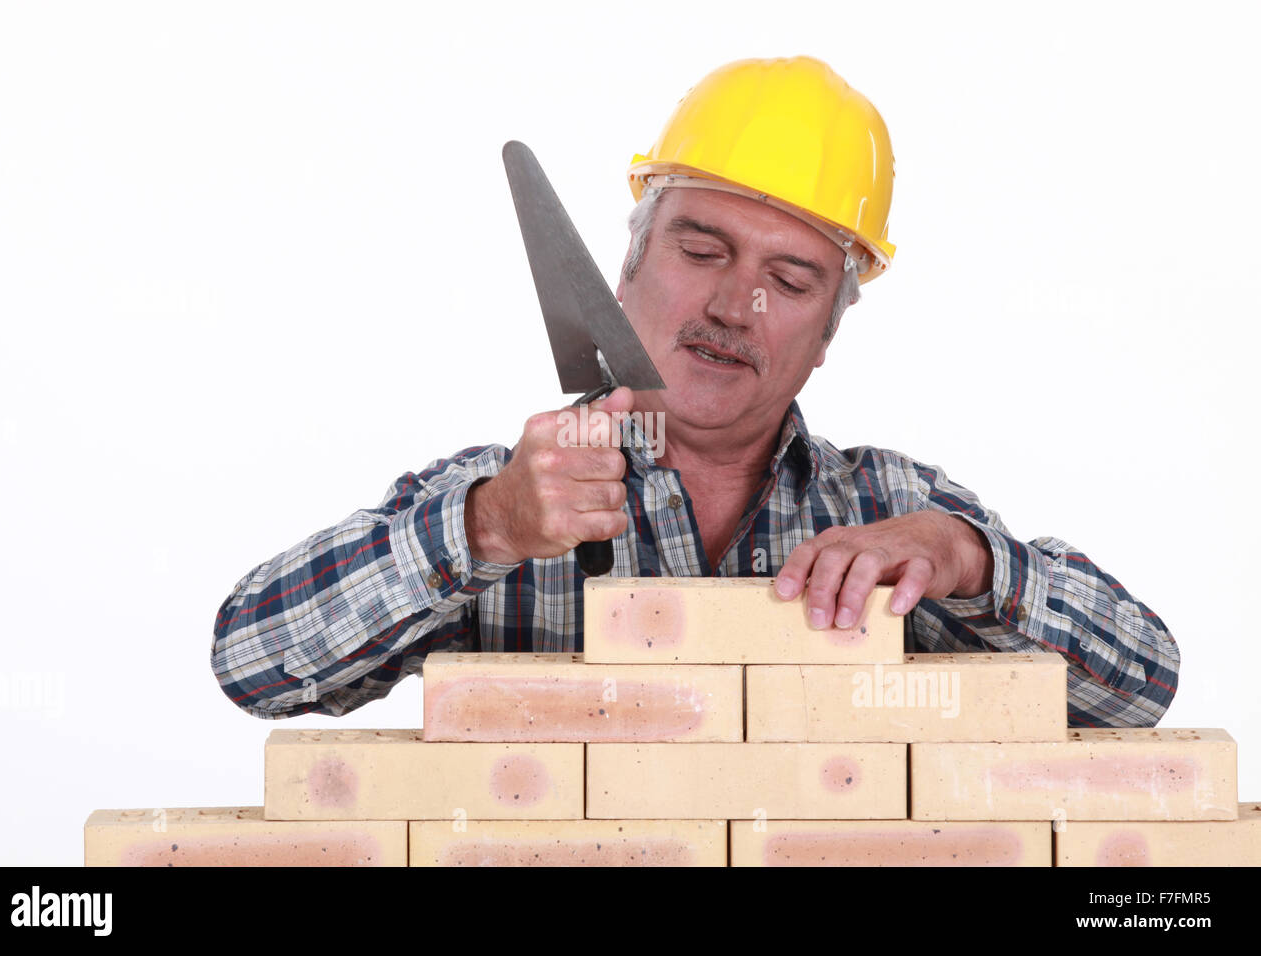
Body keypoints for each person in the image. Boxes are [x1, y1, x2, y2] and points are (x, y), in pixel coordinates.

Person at [210, 56, 1178, 728]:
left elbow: (1142, 685)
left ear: (827, 335)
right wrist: (489, 526)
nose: (734, 302)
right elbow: (250, 659)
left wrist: (968, 556)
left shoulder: (892, 515)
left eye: (790, 282)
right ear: (627, 266)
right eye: (700, 248)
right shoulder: (510, 493)